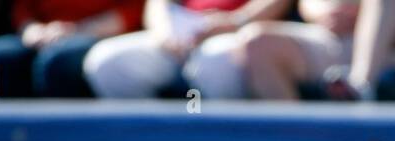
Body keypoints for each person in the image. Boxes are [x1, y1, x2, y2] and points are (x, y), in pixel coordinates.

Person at [234, 0, 395, 100]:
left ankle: (360, 86)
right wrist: (325, 14)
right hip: (337, 38)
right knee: (257, 43)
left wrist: (363, 10)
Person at [82, 0, 292, 99]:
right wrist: (165, 32)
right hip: (179, 35)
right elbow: (158, 5)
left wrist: (235, 22)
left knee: (216, 60)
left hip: (234, 33)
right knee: (107, 61)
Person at [0, 0, 142, 96]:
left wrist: (78, 30)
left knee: (57, 62)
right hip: (42, 32)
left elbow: (136, 9)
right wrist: (31, 29)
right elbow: (23, 7)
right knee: (4, 58)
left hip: (100, 32)